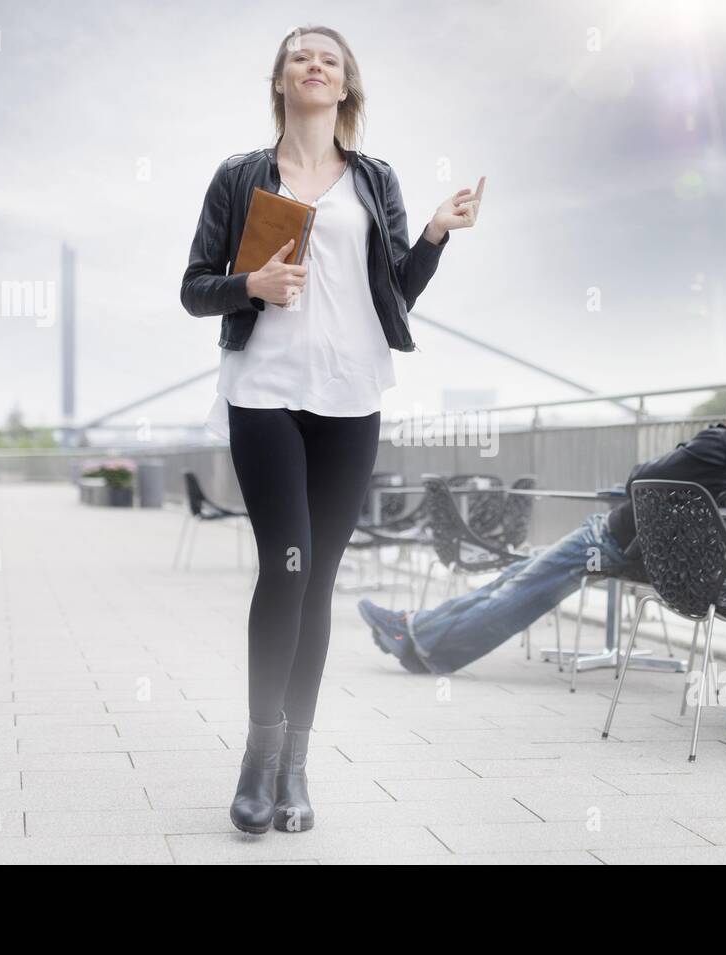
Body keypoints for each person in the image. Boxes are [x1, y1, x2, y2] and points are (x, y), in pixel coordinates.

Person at [179, 25, 484, 835]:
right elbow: (195, 289)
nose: (315, 66)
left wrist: (434, 235)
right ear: (280, 81)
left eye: (330, 59)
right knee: (286, 567)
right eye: (299, 57)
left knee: (318, 580)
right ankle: (256, 755)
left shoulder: (373, 179)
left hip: (351, 399)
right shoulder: (240, 176)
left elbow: (396, 295)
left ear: (346, 85)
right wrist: (253, 283)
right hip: (265, 394)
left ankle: (296, 767)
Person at [359, 362, 726, 674]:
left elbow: (639, 479)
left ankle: (426, 644)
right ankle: (416, 633)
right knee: (514, 582)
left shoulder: (721, 446)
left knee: (519, 591)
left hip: (614, 541)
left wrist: (674, 457)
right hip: (639, 544)